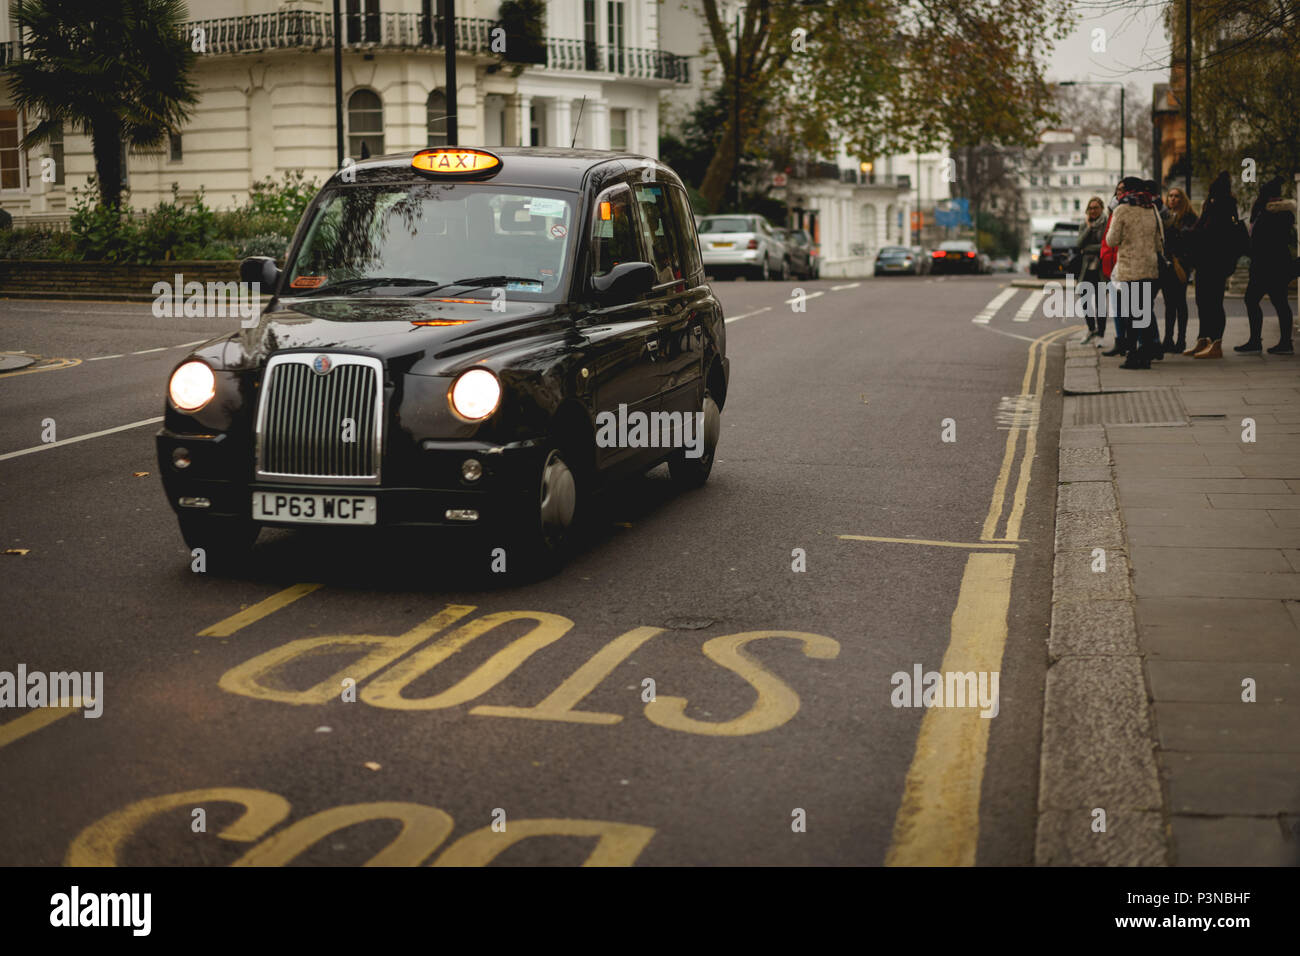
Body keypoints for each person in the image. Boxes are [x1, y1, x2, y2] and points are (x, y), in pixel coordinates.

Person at [1105, 176, 1165, 369]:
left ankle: (1132, 357)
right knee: (1144, 313)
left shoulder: (1122, 209)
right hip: (1150, 267)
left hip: (1130, 269)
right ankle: (1146, 355)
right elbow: (1159, 240)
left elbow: (1111, 240)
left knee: (1131, 315)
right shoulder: (1151, 207)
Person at [1236, 176, 1296, 354]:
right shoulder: (1280, 213)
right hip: (1275, 265)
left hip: (1267, 266)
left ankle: (1263, 341)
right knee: (1278, 302)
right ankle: (1281, 342)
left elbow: (1264, 239)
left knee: (1256, 300)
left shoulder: (1272, 213)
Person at [1187, 171, 1241, 359]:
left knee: (1214, 302)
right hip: (1204, 261)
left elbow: (1211, 233)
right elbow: (1201, 227)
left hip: (1216, 262)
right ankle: (1203, 339)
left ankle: (1216, 343)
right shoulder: (1210, 204)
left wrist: (1192, 234)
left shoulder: (1224, 205)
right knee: (1202, 301)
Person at [1160, 186, 1198, 353]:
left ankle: (1181, 340)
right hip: (1167, 264)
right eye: (1170, 196)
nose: (1173, 199)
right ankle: (1168, 339)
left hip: (1181, 264)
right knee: (1169, 304)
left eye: (1176, 196)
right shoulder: (1165, 216)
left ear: (1182, 199)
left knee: (1180, 302)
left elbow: (1189, 240)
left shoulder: (1189, 217)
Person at [1075, 197, 1109, 345]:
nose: (1093, 211)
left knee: (1101, 303)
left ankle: (1101, 334)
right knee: (1084, 301)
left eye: (1096, 208)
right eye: (1090, 208)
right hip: (1086, 269)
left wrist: (1088, 249)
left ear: (1102, 209)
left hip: (1101, 270)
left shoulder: (1107, 224)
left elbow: (1105, 245)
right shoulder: (1084, 225)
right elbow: (1078, 244)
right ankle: (1091, 329)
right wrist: (1089, 228)